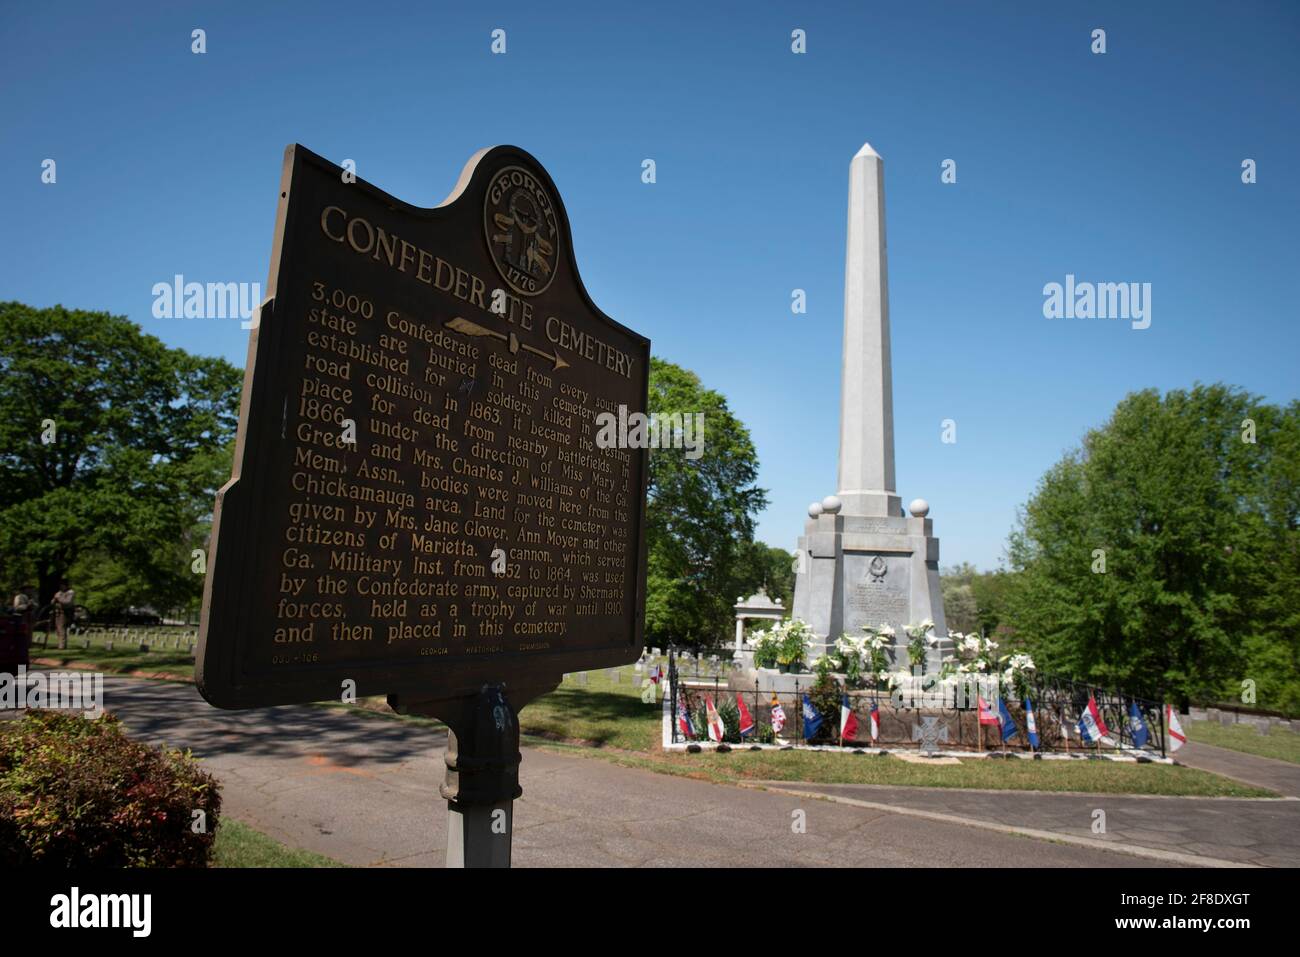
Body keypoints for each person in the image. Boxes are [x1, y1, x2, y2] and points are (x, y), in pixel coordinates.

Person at [53, 580, 75, 649]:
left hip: (65, 612)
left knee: (61, 628)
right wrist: (54, 599)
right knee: (58, 629)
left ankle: (62, 646)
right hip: (57, 611)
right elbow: (52, 602)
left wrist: (58, 598)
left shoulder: (70, 592)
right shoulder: (59, 592)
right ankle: (59, 644)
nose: (61, 586)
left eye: (62, 585)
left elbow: (67, 602)